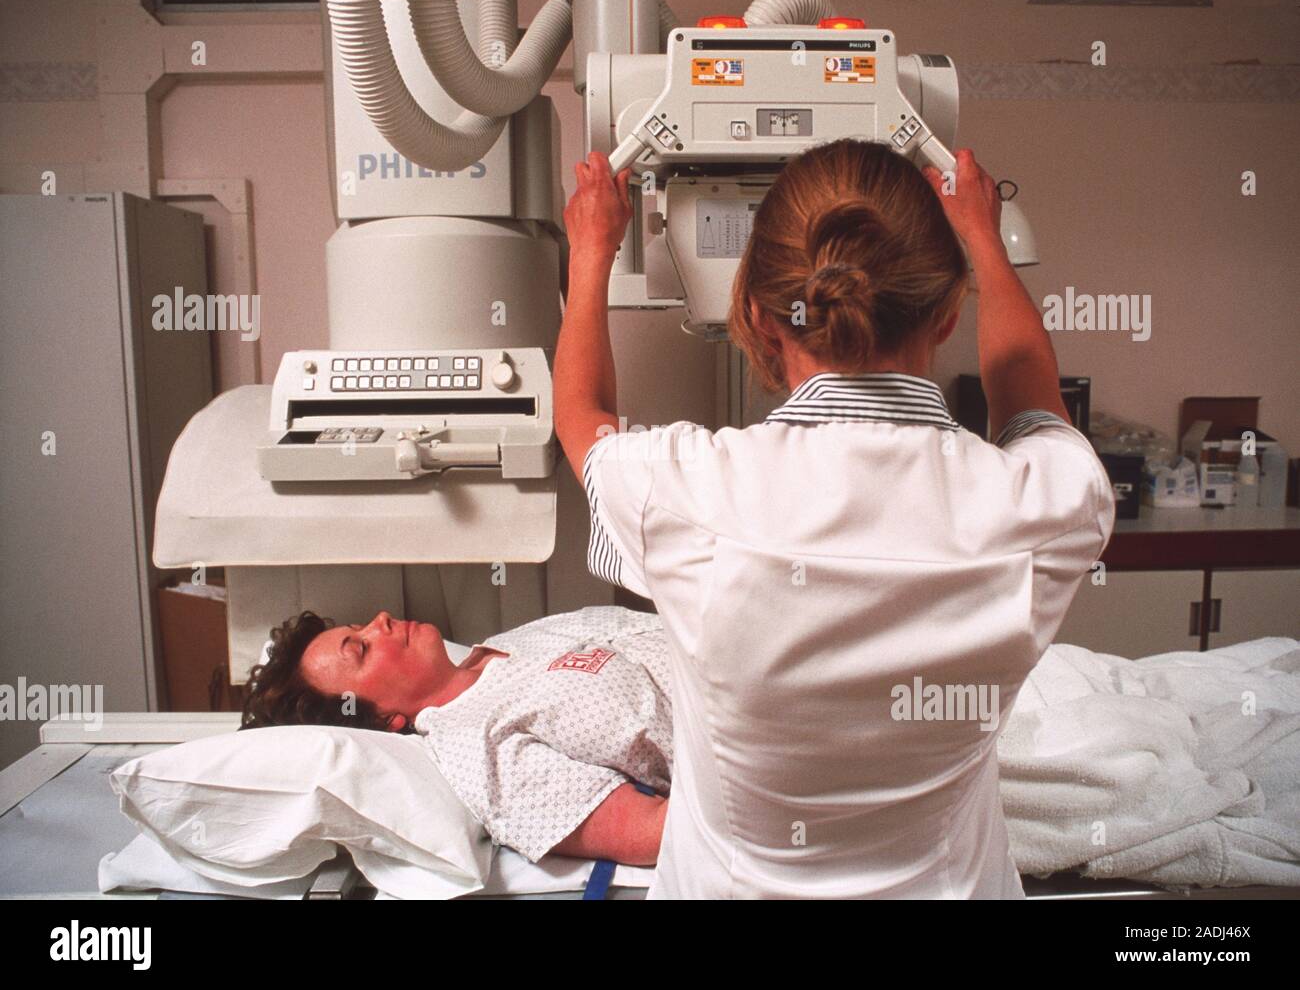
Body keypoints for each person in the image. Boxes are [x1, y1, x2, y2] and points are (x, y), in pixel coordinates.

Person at [553, 139, 1116, 897]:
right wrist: (983, 234)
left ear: (756, 311)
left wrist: (590, 249)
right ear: (950, 311)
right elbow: (1032, 398)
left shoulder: (682, 491)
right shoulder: (1044, 505)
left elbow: (580, 416)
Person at [241, 606, 672, 867]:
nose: (380, 620)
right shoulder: (479, 748)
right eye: (362, 647)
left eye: (362, 625)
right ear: (385, 718)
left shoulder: (505, 643)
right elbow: (656, 832)